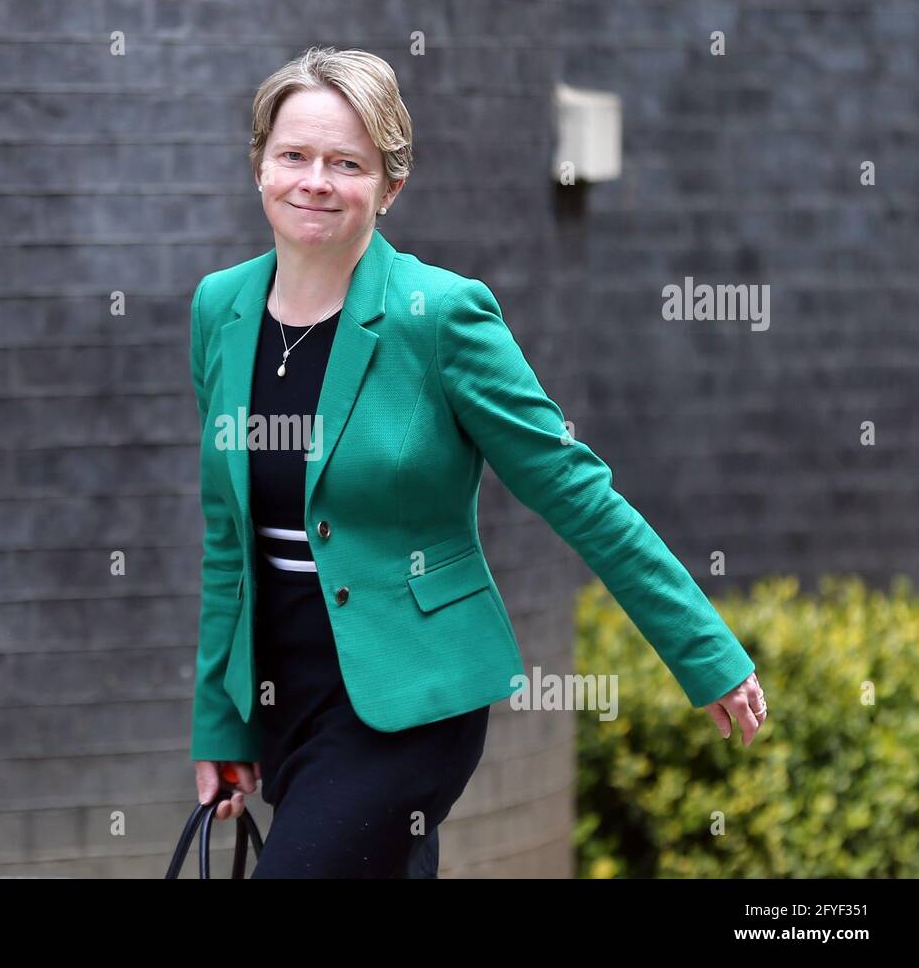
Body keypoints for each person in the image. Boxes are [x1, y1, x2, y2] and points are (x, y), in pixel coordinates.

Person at [189, 46, 767, 878]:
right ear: (260, 167)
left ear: (389, 185)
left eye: (346, 162)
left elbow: (573, 487)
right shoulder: (221, 308)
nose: (315, 180)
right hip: (282, 691)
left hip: (410, 698)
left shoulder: (442, 316)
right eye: (295, 155)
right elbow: (226, 538)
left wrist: (702, 646)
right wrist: (220, 720)